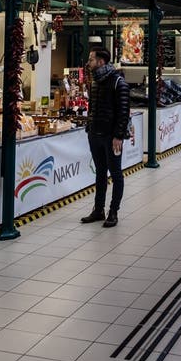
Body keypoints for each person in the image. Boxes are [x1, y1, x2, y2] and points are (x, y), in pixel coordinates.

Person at [81, 47, 130, 228]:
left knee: (116, 174)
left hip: (111, 137)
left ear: (101, 61)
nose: (88, 63)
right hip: (95, 135)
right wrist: (89, 127)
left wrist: (118, 136)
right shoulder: (95, 82)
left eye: (91, 59)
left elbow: (123, 112)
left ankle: (113, 212)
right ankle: (98, 210)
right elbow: (92, 108)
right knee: (100, 173)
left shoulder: (118, 83)